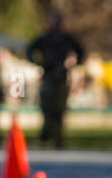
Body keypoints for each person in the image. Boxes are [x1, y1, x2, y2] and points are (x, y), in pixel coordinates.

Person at [26, 12, 84, 147]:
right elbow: (30, 50)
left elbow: (80, 50)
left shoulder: (66, 38)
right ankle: (46, 136)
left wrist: (74, 62)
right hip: (48, 76)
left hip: (61, 77)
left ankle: (58, 138)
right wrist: (39, 63)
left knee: (59, 109)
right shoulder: (45, 38)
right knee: (47, 107)